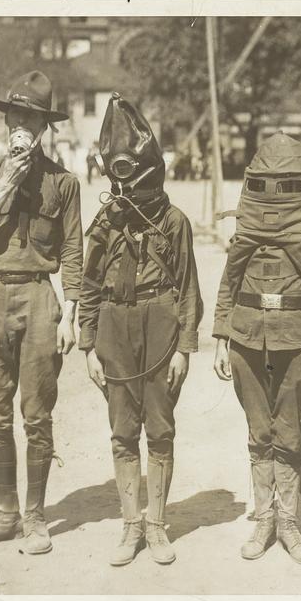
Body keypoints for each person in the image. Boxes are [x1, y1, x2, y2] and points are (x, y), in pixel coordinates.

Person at [0, 71, 83, 555]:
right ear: (4, 120)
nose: (19, 125)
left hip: (38, 296)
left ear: (44, 125)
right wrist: (4, 185)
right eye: (13, 116)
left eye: (29, 117)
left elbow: (73, 250)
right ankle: (5, 513)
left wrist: (69, 315)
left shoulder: (63, 182)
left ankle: (34, 517)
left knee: (37, 413)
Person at [79, 93, 203, 567]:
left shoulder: (173, 221)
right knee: (121, 430)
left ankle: (156, 524)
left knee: (161, 429)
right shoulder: (105, 222)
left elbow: (189, 287)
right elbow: (90, 286)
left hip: (160, 322)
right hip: (113, 323)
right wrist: (88, 346)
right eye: (116, 168)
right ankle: (131, 525)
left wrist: (184, 349)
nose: (123, 178)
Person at [213, 132, 301, 565]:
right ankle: (264, 518)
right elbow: (230, 281)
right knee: (258, 432)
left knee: (288, 430)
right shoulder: (245, 229)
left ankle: (288, 520)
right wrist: (219, 338)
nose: (276, 194)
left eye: (287, 183)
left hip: (297, 341)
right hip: (247, 338)